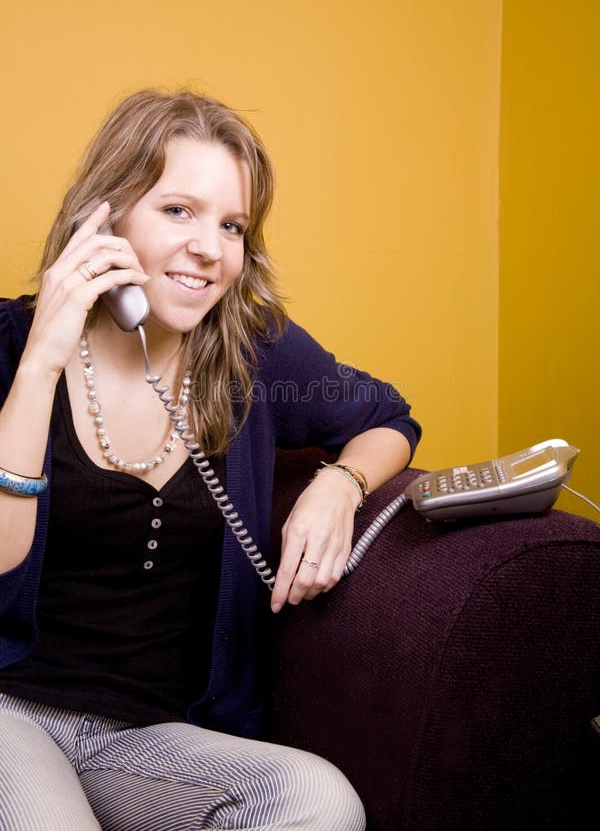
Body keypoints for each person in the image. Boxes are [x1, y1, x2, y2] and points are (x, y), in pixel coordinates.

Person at [0, 89, 421, 830]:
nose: (210, 248)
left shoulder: (252, 355)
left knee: (321, 803)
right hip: (10, 710)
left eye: (232, 226)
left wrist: (341, 483)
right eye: (178, 212)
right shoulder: (10, 347)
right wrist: (41, 364)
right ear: (105, 214)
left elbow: (389, 417)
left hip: (146, 738)